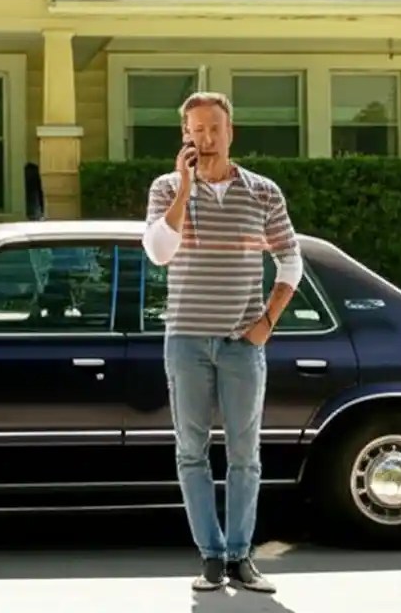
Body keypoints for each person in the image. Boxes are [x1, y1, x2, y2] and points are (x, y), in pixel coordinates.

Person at [141, 91, 303, 594]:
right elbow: (159, 253)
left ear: (231, 132)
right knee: (191, 452)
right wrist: (185, 189)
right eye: (195, 130)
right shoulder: (167, 188)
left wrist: (266, 324)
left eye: (214, 128)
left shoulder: (263, 193)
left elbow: (291, 262)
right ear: (184, 136)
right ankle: (210, 557)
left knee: (244, 455)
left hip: (241, 345)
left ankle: (240, 556)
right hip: (186, 341)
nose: (205, 138)